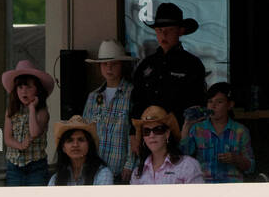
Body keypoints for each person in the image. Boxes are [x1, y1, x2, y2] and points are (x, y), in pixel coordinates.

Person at [129, 2, 207, 149]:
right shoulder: (146, 65)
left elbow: (197, 105)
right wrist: (134, 133)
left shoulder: (192, 64)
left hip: (181, 138)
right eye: (159, 30)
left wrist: (189, 138)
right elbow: (137, 102)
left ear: (180, 31)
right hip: (149, 139)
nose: (163, 35)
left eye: (169, 30)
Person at [82, 40, 137, 183]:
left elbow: (135, 132)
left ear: (122, 65)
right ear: (99, 66)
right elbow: (85, 132)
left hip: (121, 169)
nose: (109, 68)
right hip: (96, 170)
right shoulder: (93, 97)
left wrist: (130, 164)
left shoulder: (132, 93)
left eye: (114, 63)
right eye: (104, 64)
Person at [180, 82, 254, 183]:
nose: (213, 106)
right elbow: (184, 157)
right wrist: (186, 126)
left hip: (232, 187)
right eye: (210, 101)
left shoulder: (241, 131)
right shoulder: (197, 128)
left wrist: (236, 159)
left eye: (219, 102)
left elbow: (251, 168)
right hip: (204, 185)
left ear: (230, 105)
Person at [2, 60, 52, 187]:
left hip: (36, 166)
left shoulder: (41, 112)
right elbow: (7, 138)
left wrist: (32, 108)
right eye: (20, 87)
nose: (24, 91)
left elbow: (35, 132)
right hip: (14, 166)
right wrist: (19, 145)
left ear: (37, 90)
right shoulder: (11, 111)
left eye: (29, 87)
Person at [130, 106, 202, 184]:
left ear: (167, 133)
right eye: (146, 131)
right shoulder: (137, 173)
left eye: (158, 129)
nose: (151, 135)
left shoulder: (188, 166)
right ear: (143, 137)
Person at [47, 116, 114, 186]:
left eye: (81, 140)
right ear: (63, 148)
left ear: (89, 145)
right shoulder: (56, 178)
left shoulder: (103, 174)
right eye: (70, 140)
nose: (75, 144)